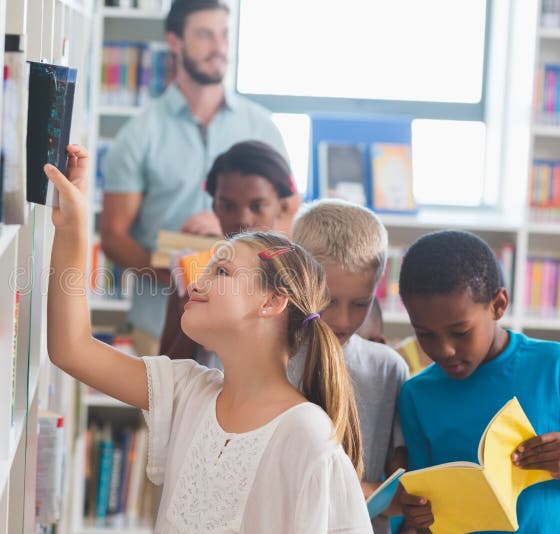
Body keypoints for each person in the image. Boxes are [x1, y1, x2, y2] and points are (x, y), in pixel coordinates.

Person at [44, 145, 372, 533]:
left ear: (271, 301)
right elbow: (72, 349)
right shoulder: (187, 390)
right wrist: (72, 228)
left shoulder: (307, 434)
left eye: (221, 271)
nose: (196, 281)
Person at [100, 0, 297, 355]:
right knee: (164, 412)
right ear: (175, 42)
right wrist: (185, 273)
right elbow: (114, 236)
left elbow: (289, 215)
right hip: (159, 323)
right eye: (205, 35)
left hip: (249, 325)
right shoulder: (139, 133)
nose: (219, 47)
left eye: (224, 35)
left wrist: (227, 247)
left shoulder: (263, 128)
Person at [396, 230, 560, 533]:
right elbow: (418, 512)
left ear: (498, 305)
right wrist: (415, 516)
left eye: (460, 332)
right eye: (425, 334)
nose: (443, 350)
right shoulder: (416, 395)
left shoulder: (553, 366)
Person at [287, 199, 410, 534]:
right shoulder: (267, 359)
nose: (343, 320)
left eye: (360, 304)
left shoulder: (389, 369)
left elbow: (398, 483)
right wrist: (367, 492)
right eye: (328, 301)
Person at [159, 140, 298, 365]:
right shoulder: (193, 269)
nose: (242, 218)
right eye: (228, 206)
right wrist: (192, 313)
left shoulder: (295, 272)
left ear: (282, 206)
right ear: (214, 207)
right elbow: (167, 364)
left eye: (257, 206)